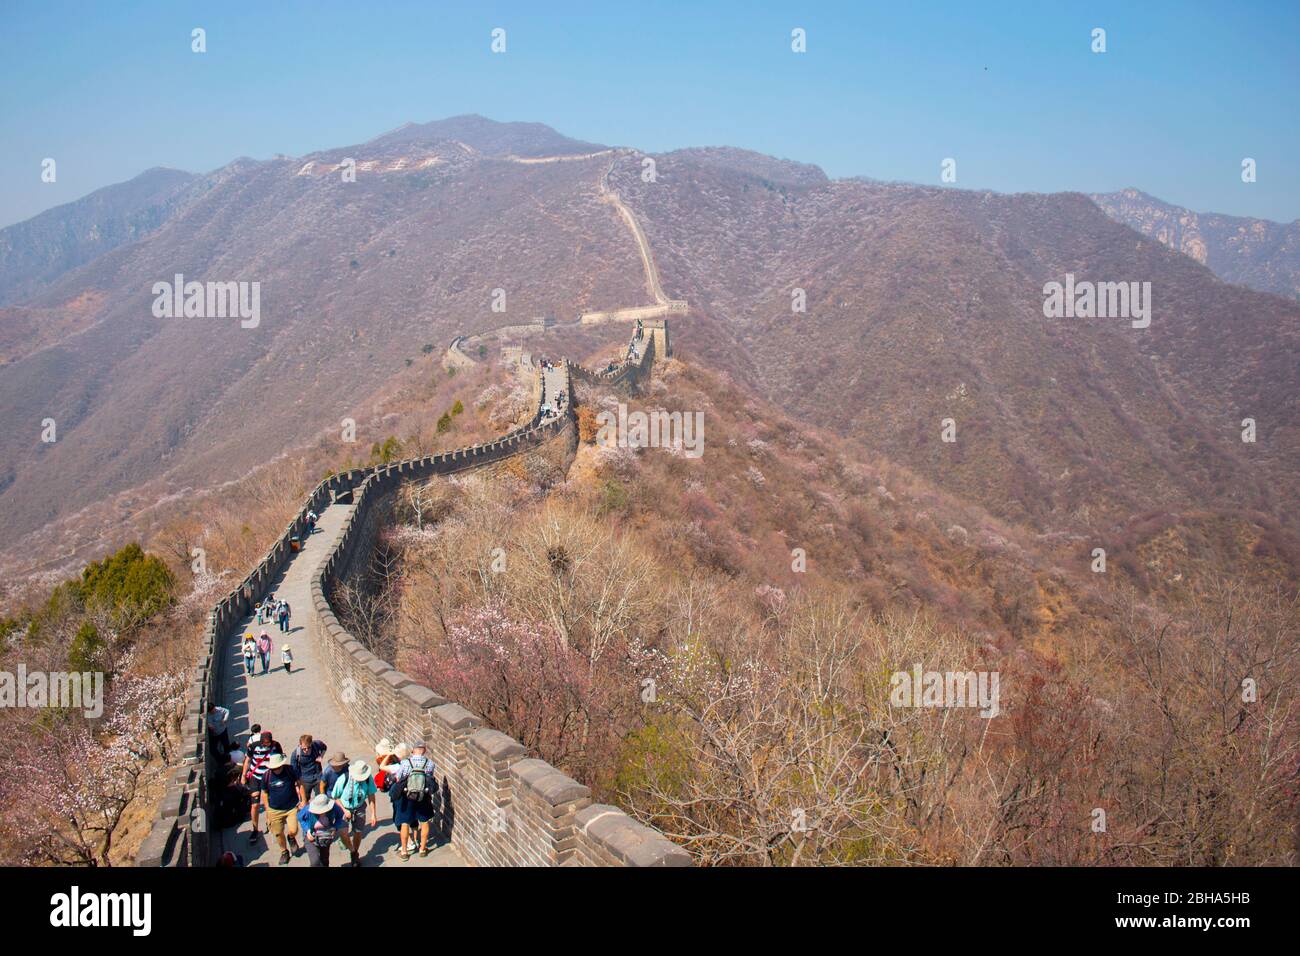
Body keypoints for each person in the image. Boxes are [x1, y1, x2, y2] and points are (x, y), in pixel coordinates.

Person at [387, 741, 438, 860]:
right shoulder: (430, 763)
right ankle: (423, 849)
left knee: (405, 823)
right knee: (424, 822)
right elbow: (429, 779)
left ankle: (404, 851)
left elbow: (398, 778)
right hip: (423, 796)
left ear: (413, 750)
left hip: (407, 796)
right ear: (424, 750)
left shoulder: (405, 763)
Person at [332, 759, 377, 867]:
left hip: (359, 807)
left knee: (358, 832)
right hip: (344, 808)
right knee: (343, 832)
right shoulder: (344, 779)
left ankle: (354, 853)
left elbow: (371, 795)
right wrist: (344, 810)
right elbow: (335, 797)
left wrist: (373, 813)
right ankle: (352, 850)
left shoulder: (368, 779)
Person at [241, 730, 283, 844]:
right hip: (256, 777)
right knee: (255, 805)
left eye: (266, 744)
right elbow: (248, 760)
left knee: (268, 803)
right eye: (263, 744)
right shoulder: (254, 746)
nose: (264, 746)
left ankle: (270, 823)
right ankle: (255, 829)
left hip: (269, 776)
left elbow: (280, 760)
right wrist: (244, 775)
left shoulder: (276, 746)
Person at [261, 753, 302, 864]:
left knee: (294, 829)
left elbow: (300, 783)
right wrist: (267, 809)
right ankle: (284, 852)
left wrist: (303, 800)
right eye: (274, 768)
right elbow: (264, 793)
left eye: (279, 767)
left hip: (291, 807)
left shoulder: (290, 770)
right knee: (278, 833)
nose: (277, 769)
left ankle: (291, 837)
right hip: (274, 810)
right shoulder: (266, 776)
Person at [297, 793, 345, 867]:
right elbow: (300, 817)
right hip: (311, 837)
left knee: (324, 861)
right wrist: (307, 830)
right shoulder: (308, 809)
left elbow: (340, 816)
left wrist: (335, 827)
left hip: (326, 837)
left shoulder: (334, 807)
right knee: (315, 862)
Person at [291, 734, 328, 803]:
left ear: (311, 743)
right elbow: (294, 770)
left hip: (318, 777)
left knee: (321, 800)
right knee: (304, 801)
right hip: (305, 780)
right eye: (304, 749)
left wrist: (321, 756)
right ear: (300, 745)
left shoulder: (316, 744)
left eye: (309, 747)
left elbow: (324, 747)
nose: (306, 750)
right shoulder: (296, 754)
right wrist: (297, 785)